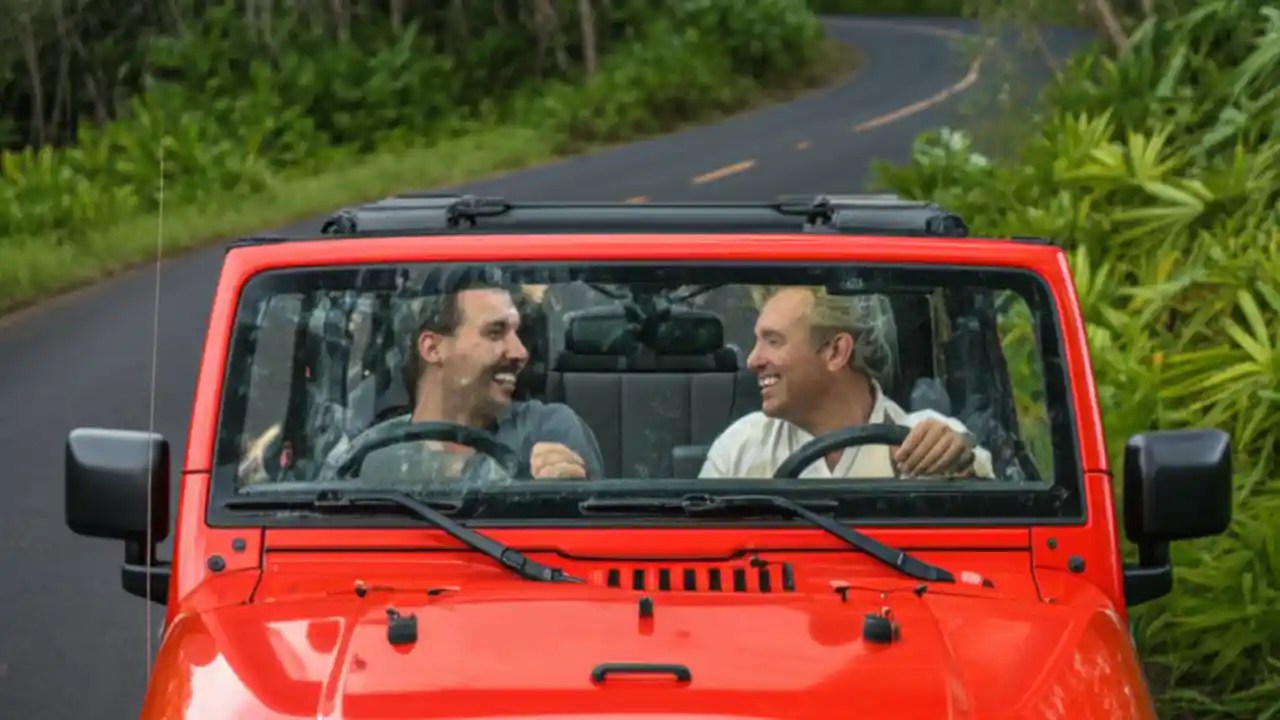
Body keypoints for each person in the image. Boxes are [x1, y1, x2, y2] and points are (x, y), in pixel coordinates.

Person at [325, 270, 604, 483]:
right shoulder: (368, 456)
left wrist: (567, 493)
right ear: (433, 348)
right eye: (495, 332)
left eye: (517, 333)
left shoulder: (547, 431)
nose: (520, 352)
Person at [699, 285, 994, 480]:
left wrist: (960, 463)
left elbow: (996, 528)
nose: (752, 360)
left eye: (773, 341)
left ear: (836, 351)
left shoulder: (927, 436)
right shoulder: (740, 447)